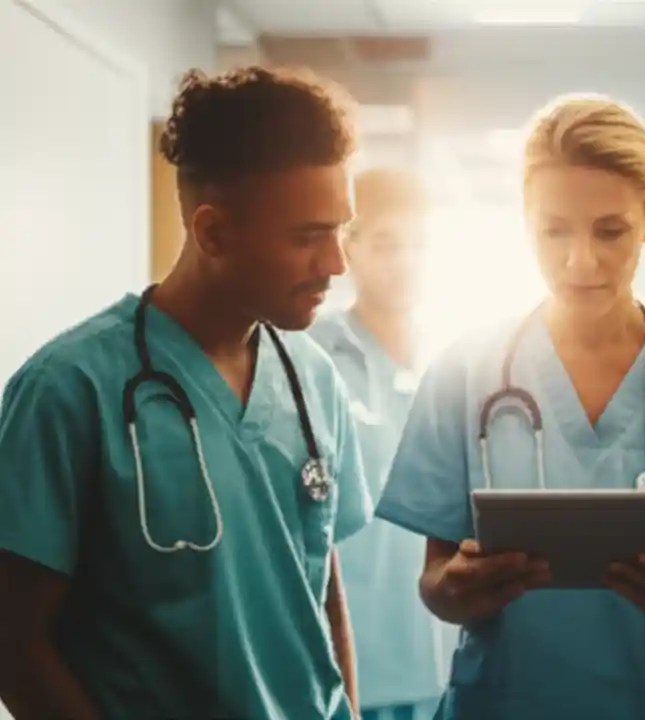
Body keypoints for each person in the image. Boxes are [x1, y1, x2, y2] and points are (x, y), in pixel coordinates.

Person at [374, 94, 645, 720]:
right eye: (555, 230)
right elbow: (435, 582)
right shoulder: (464, 374)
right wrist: (458, 589)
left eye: (611, 230)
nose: (581, 261)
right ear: (524, 221)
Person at [0, 67, 372, 719]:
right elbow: (13, 643)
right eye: (308, 237)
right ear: (213, 234)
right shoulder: (69, 389)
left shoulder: (312, 376)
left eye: (343, 230)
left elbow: (319, 587)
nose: (337, 264)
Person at [309, 168, 447, 720]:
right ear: (350, 245)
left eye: (420, 245)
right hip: (353, 651)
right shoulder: (311, 355)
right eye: (388, 244)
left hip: (447, 650)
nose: (406, 262)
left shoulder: (462, 358)